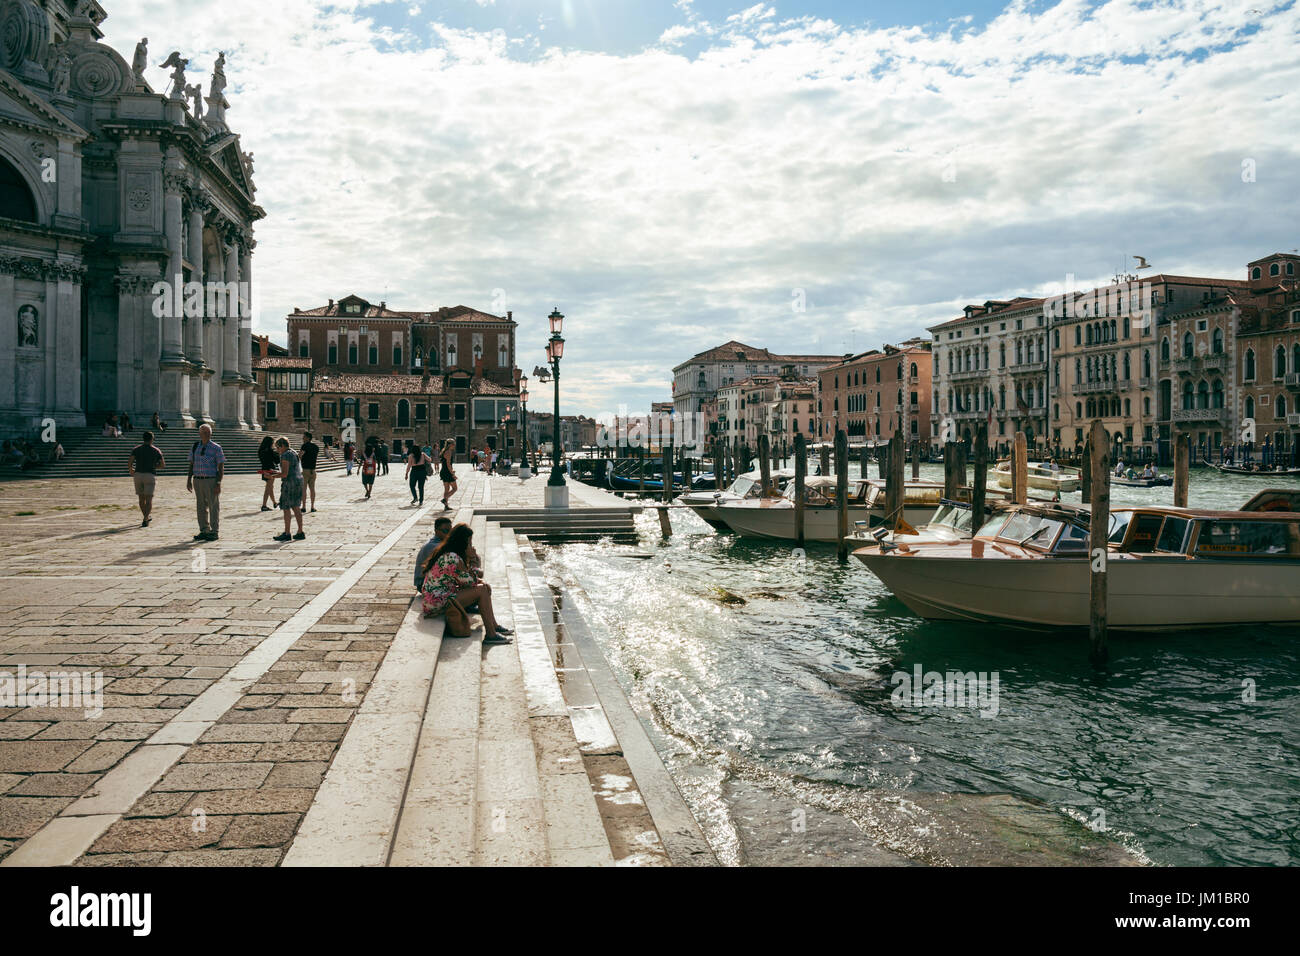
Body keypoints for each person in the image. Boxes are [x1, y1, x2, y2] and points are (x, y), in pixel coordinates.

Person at [419, 524, 511, 643]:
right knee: (482, 589)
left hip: (437, 597)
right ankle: (491, 634)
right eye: (469, 543)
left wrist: (480, 581)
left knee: (483, 587)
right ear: (462, 542)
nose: (471, 546)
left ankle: (494, 626)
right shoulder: (453, 557)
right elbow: (469, 582)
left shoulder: (450, 552)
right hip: (436, 602)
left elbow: (465, 580)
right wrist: (472, 560)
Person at [187, 423, 224, 541]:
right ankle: (204, 529)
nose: (206, 434)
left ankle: (214, 531)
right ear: (199, 433)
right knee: (201, 506)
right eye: (203, 432)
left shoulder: (216, 447)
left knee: (213, 506)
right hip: (198, 479)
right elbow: (191, 464)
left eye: (208, 432)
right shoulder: (195, 446)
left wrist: (218, 483)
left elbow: (221, 466)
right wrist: (188, 479)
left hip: (211, 480)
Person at [128, 430, 164, 527]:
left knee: (141, 498)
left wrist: (131, 469)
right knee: (149, 499)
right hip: (149, 475)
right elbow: (162, 465)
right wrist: (154, 466)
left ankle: (146, 516)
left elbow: (130, 461)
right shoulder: (156, 450)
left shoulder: (136, 449)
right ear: (152, 439)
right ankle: (145, 518)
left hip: (138, 474)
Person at [272, 437, 306, 541]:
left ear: (282, 446)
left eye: (278, 447)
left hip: (289, 483)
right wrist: (275, 472)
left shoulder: (285, 455)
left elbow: (285, 474)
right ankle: (300, 531)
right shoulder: (293, 452)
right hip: (298, 481)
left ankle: (287, 533)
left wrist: (271, 476)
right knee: (296, 506)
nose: (277, 450)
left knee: (286, 507)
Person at [414, 516, 454, 591]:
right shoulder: (432, 546)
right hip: (423, 583)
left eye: (451, 531)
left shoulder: (442, 542)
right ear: (436, 531)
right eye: (445, 531)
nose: (449, 534)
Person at [258, 435, 279, 511]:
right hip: (271, 470)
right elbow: (277, 461)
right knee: (268, 488)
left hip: (264, 469)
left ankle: (274, 502)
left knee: (270, 487)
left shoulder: (260, 450)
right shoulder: (270, 451)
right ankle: (264, 505)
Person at [405, 440, 429, 506]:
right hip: (422, 471)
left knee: (412, 485)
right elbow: (430, 459)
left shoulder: (411, 456)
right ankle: (421, 501)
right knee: (421, 487)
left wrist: (406, 473)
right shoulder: (423, 454)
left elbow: (409, 465)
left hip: (414, 471)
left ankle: (415, 497)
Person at [300, 432, 319, 513]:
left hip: (305, 470)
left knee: (304, 489)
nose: (303, 438)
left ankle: (304, 506)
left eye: (304, 437)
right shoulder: (316, 447)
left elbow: (300, 455)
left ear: (308, 438)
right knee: (312, 489)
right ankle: (312, 506)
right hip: (313, 470)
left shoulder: (304, 446)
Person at [439, 438, 457, 510]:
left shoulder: (444, 451)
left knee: (447, 489)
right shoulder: (449, 452)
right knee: (455, 488)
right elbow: (448, 464)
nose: (454, 446)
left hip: (443, 471)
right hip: (447, 472)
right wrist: (452, 473)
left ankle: (446, 506)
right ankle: (444, 499)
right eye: (453, 444)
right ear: (450, 445)